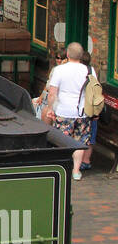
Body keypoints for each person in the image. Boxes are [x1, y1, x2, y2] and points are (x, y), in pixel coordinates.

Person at [44, 42, 91, 180]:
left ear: (68, 55)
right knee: (79, 141)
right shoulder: (89, 70)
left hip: (63, 111)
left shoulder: (60, 70)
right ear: (81, 55)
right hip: (82, 112)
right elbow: (92, 92)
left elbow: (52, 93)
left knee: (62, 140)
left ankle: (63, 167)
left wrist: (50, 108)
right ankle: (76, 171)